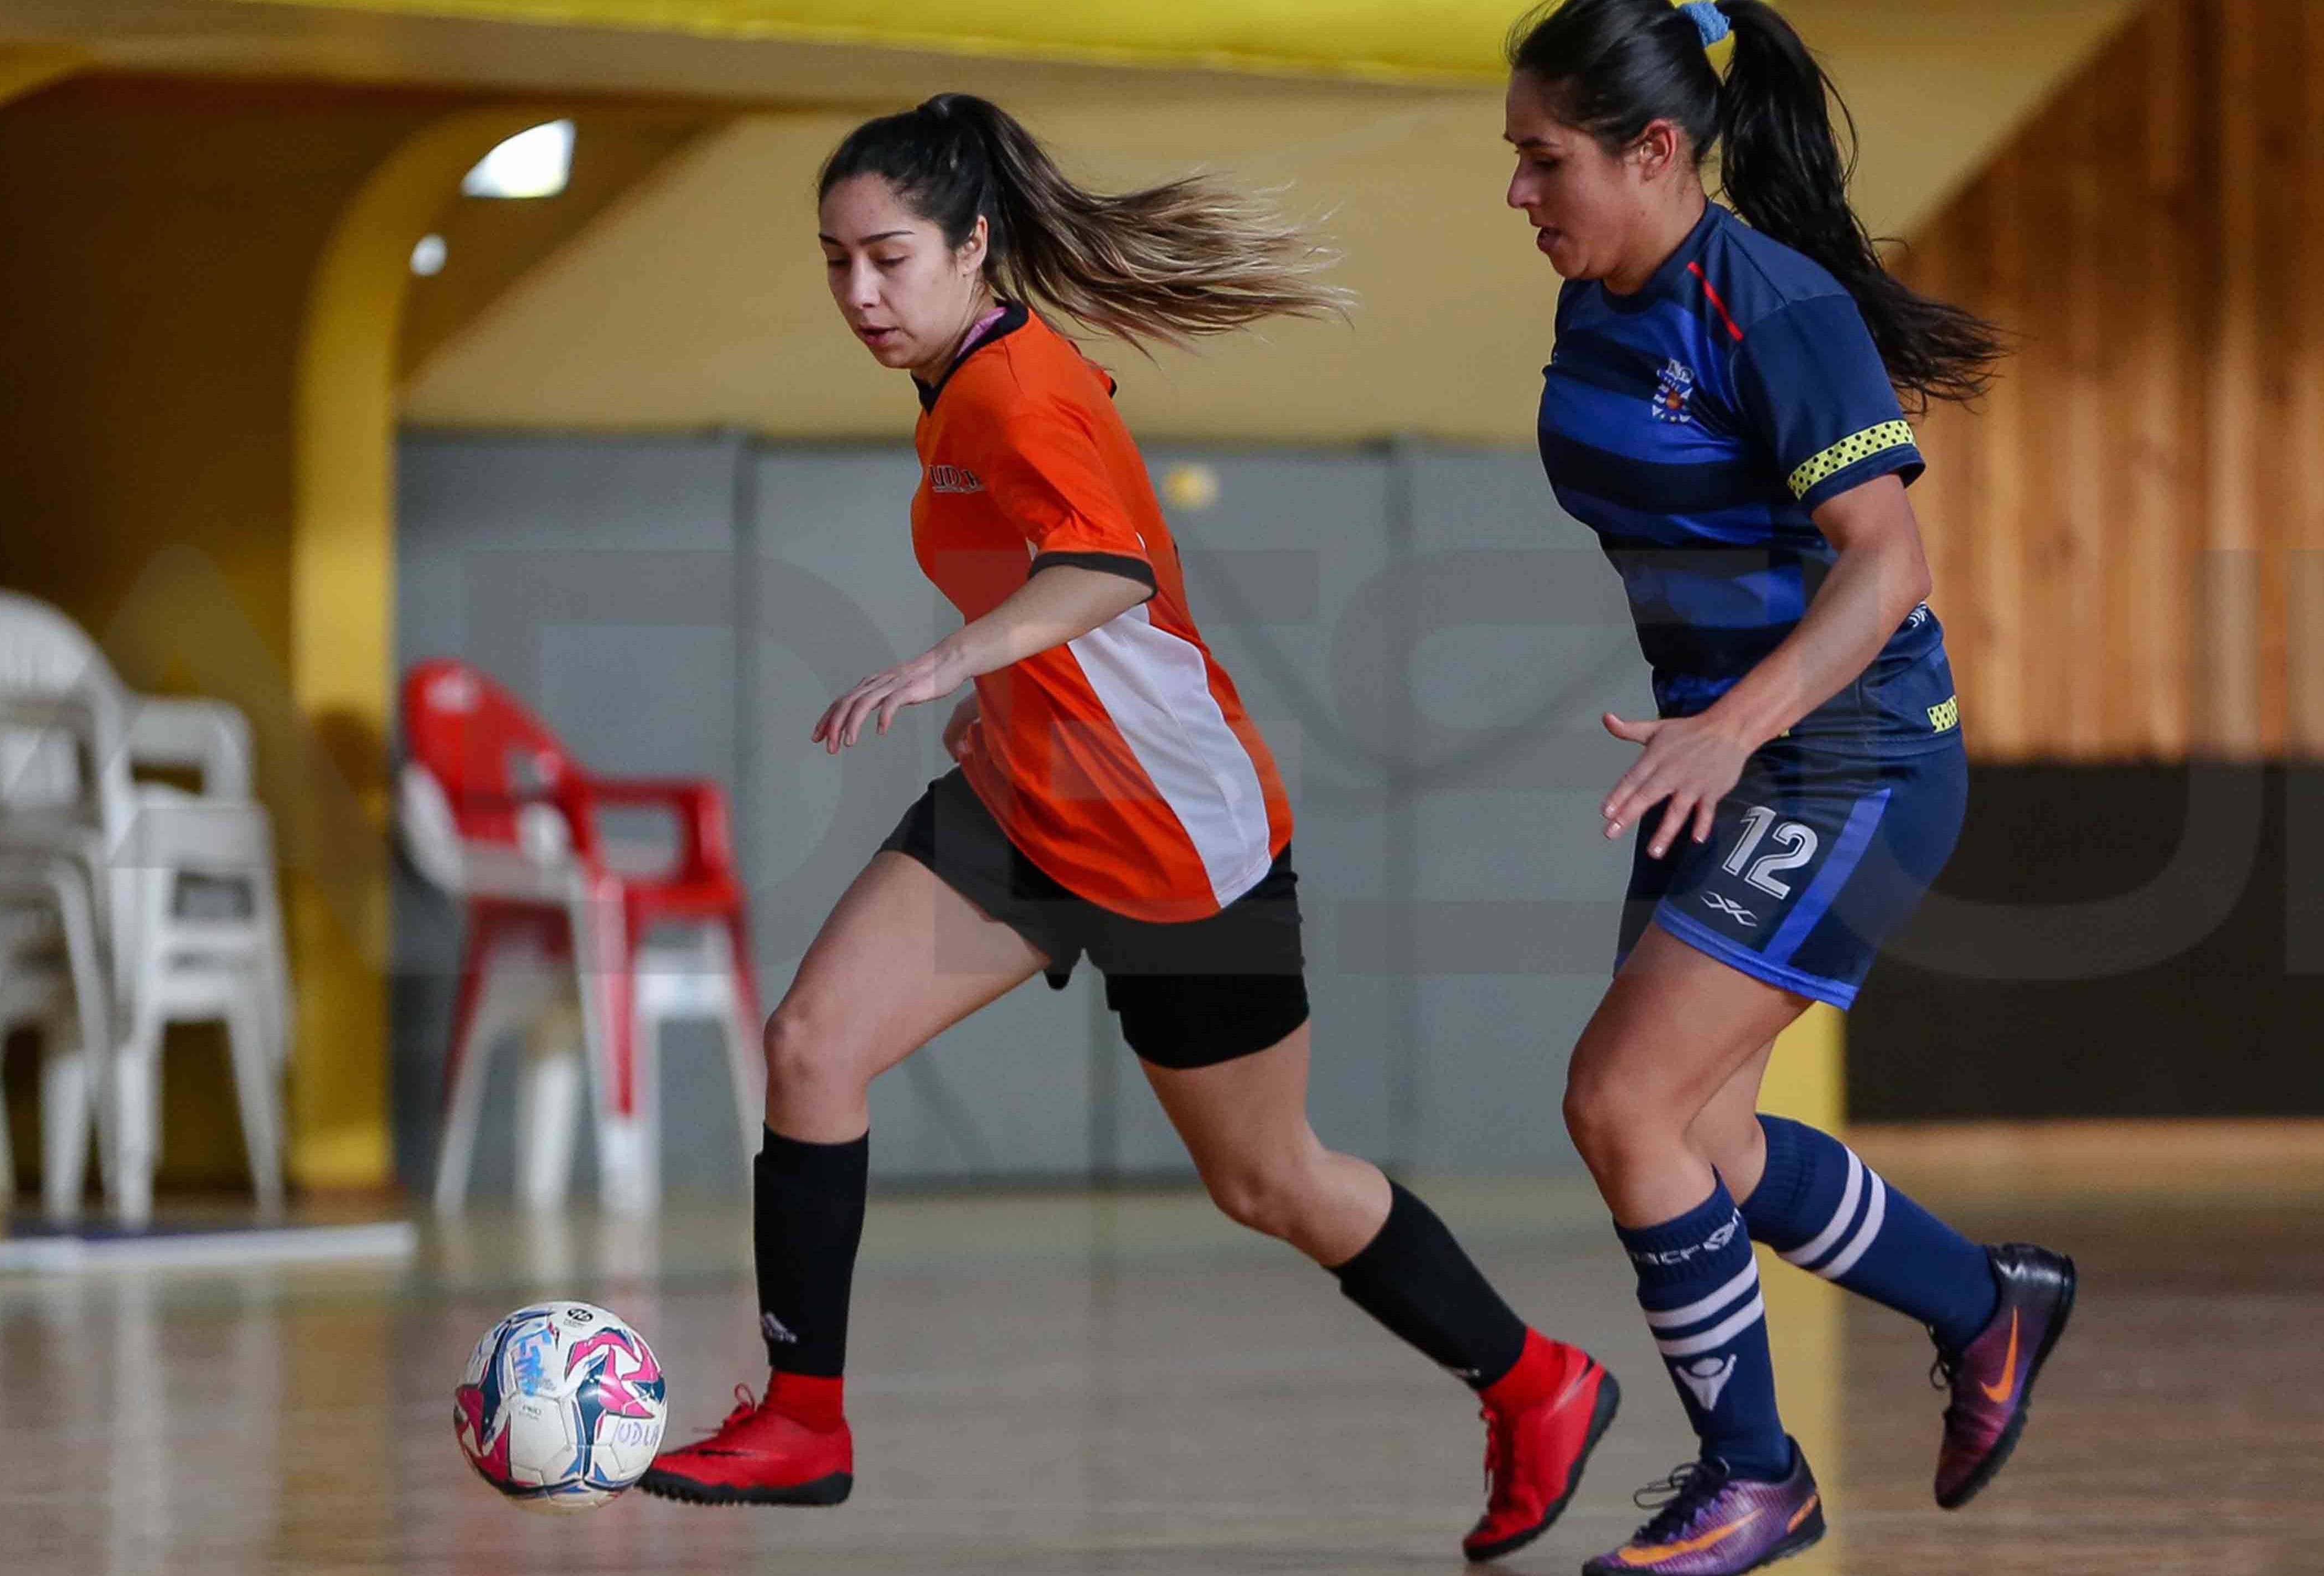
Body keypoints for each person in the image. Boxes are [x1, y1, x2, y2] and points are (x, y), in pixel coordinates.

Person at [633, 93, 1619, 1563]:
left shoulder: (1018, 392)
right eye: (837, 261)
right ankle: (804, 1420)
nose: (859, 293)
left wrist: (950, 662)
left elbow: (1104, 573)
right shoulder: (956, 382)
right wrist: (1000, 698)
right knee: (812, 1046)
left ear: (972, 246)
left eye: (889, 258)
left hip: (1173, 840)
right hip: (1026, 802)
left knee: (1268, 1181)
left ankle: (1538, 1381)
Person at [1502, 3, 2079, 1572]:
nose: (1518, 192)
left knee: (1620, 1101)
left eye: (1543, 160)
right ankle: (1984, 1302)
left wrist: (1731, 724)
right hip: (1731, 754)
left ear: (1654, 151)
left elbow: (1888, 564)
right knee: (1704, 1138)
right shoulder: (1597, 299)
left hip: (1850, 754)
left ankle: (1754, 1475)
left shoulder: (1773, 307)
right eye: (1515, 158)